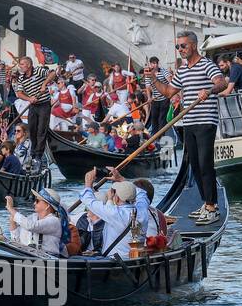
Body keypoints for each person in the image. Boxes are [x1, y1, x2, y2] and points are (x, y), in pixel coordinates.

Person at [145, 30, 227, 224]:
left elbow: (222, 83)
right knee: (195, 166)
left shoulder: (206, 64)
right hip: (189, 122)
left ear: (193, 45)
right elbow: (168, 92)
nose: (180, 49)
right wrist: (154, 79)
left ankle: (212, 208)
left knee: (205, 163)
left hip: (206, 121)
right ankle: (206, 203)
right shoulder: (182, 70)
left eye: (183, 46)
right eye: (178, 46)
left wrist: (209, 90)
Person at [78, 169, 138, 257]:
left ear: (116, 198)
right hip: (135, 259)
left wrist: (88, 183)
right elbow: (142, 194)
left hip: (116, 262)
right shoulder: (142, 210)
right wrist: (123, 180)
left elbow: (89, 202)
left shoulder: (114, 213)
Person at [13, 56, 53, 162]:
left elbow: (52, 74)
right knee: (31, 128)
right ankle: (33, 152)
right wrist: (29, 98)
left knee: (41, 130)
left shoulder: (38, 70)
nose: (20, 66)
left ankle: (38, 155)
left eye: (22, 64)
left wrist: (44, 84)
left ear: (29, 65)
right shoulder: (21, 78)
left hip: (44, 104)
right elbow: (19, 93)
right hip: (33, 105)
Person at [5, 188, 65, 256]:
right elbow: (16, 241)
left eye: (37, 201)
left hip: (49, 258)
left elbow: (31, 226)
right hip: (28, 256)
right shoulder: (31, 218)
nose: (34, 203)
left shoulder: (54, 221)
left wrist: (11, 209)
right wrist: (12, 222)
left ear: (47, 206)